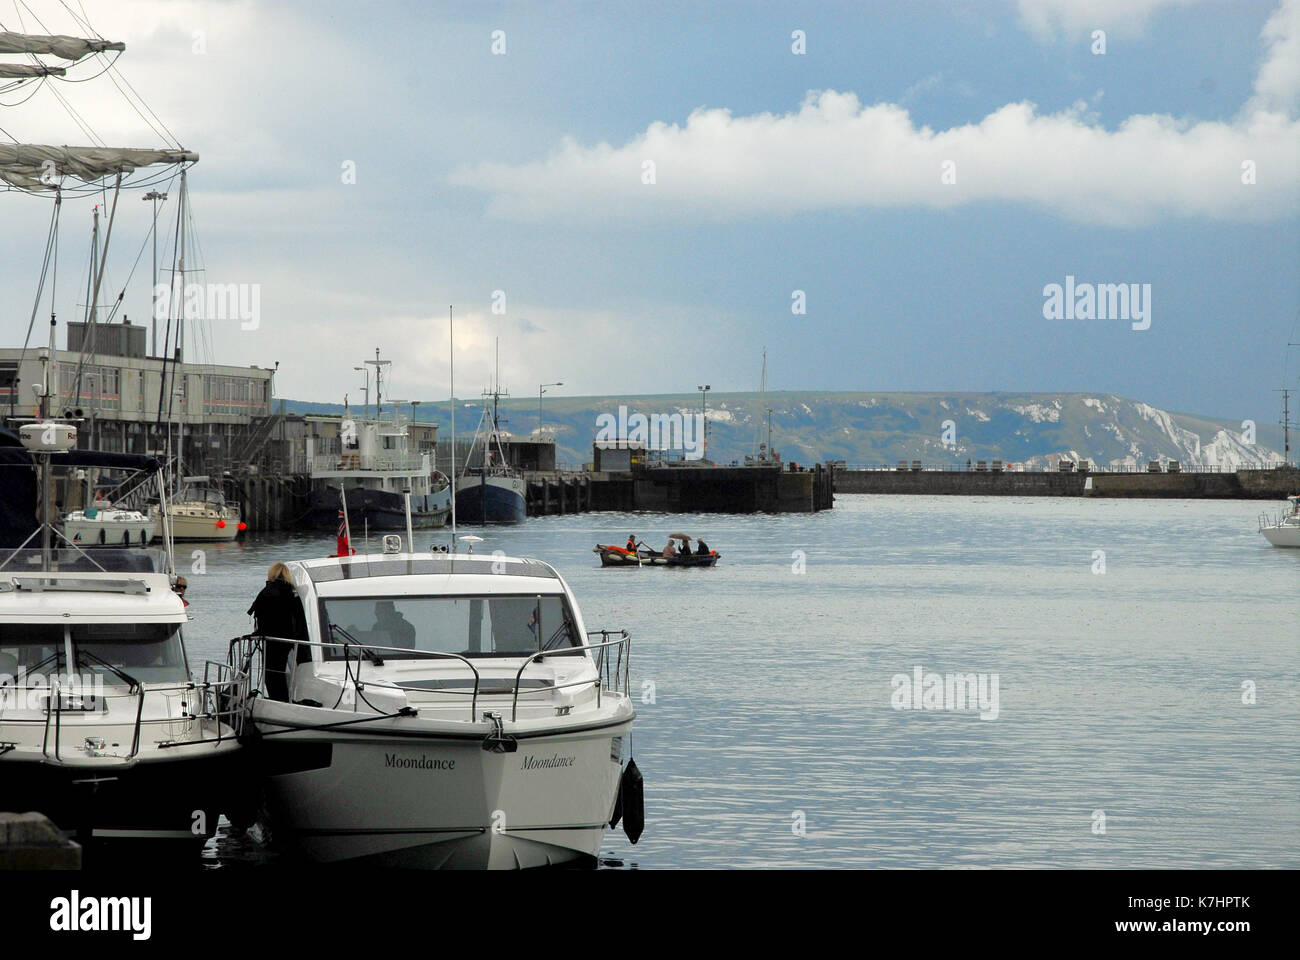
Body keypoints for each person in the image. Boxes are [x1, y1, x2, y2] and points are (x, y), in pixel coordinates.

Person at [247, 562, 309, 702]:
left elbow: (260, 615)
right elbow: (299, 618)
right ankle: (286, 698)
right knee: (280, 670)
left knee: (271, 672)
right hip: (289, 639)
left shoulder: (266, 592)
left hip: (271, 639)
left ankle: (278, 700)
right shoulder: (293, 593)